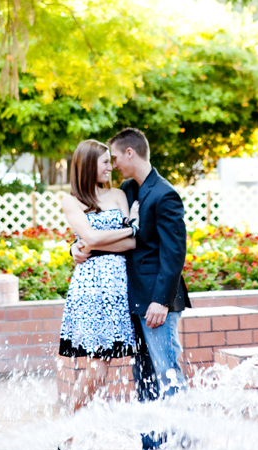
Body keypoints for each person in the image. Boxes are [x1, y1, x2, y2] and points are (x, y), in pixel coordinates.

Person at [73, 128, 190, 401]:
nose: (113, 165)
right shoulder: (126, 190)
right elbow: (104, 230)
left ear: (130, 153)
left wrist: (161, 301)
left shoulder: (165, 194)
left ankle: (182, 429)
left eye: (114, 158)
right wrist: (75, 247)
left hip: (156, 301)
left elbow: (174, 254)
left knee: (167, 371)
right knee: (144, 375)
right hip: (132, 298)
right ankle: (150, 429)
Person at [59, 139, 138, 412]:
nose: (110, 167)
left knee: (103, 364)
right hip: (90, 288)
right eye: (105, 162)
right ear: (88, 164)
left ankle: (79, 421)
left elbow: (131, 245)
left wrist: (92, 244)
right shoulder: (71, 200)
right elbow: (91, 237)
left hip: (117, 286)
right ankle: (71, 421)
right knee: (99, 364)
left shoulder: (117, 195)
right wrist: (130, 228)